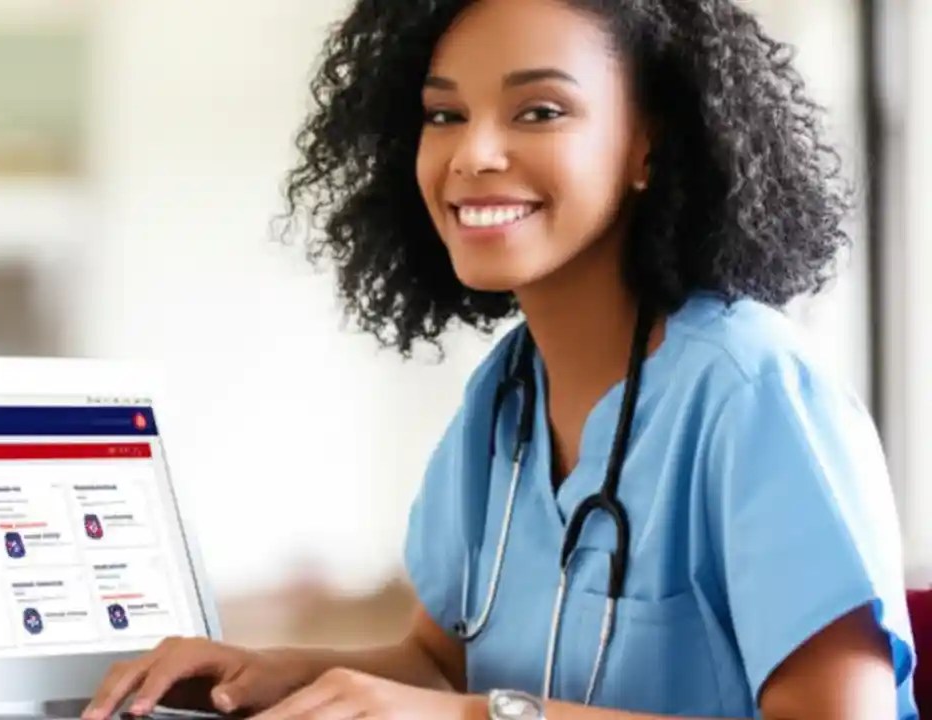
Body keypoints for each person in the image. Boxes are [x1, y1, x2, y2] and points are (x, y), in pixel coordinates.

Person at [83, 0, 917, 717]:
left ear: (649, 145)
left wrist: (477, 714)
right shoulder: (505, 395)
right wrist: (268, 673)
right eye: (444, 115)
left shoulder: (752, 391)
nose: (473, 153)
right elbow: (440, 666)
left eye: (540, 111)